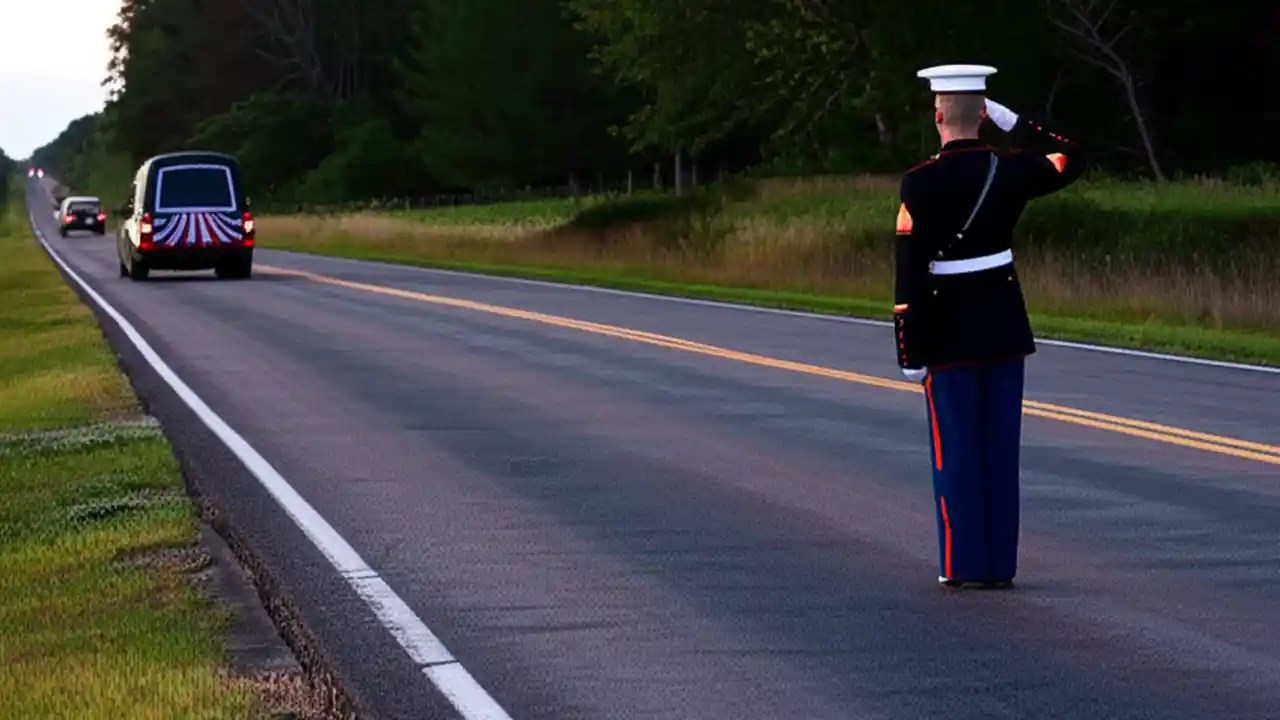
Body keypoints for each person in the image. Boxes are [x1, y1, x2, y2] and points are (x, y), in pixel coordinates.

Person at [893, 64, 1086, 589]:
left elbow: (909, 273)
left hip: (947, 331)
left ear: (937, 114)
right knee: (1001, 453)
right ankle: (1000, 567)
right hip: (1002, 326)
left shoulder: (921, 180)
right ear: (983, 114)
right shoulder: (1012, 169)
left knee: (955, 452)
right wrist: (1014, 120)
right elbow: (1073, 153)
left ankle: (962, 565)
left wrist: (909, 351)